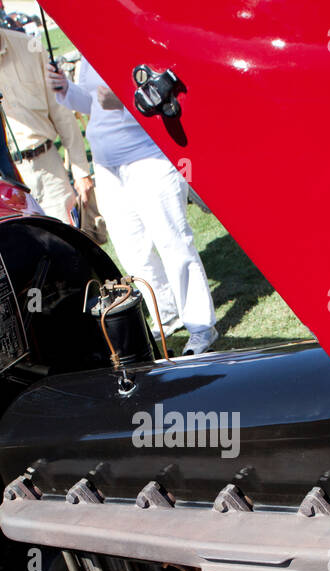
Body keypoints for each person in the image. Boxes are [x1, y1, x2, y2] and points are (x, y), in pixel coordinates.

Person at [49, 58, 218, 354]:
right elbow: (93, 105)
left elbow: (166, 100)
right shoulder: (87, 52)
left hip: (148, 157)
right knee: (131, 248)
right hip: (106, 164)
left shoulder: (128, 42)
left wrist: (122, 102)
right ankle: (165, 315)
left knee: (173, 242)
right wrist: (66, 89)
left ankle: (201, 326)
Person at [0, 4, 90, 224]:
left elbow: (61, 111)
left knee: (71, 244)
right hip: (2, 179)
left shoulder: (30, 46)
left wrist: (80, 170)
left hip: (49, 168)